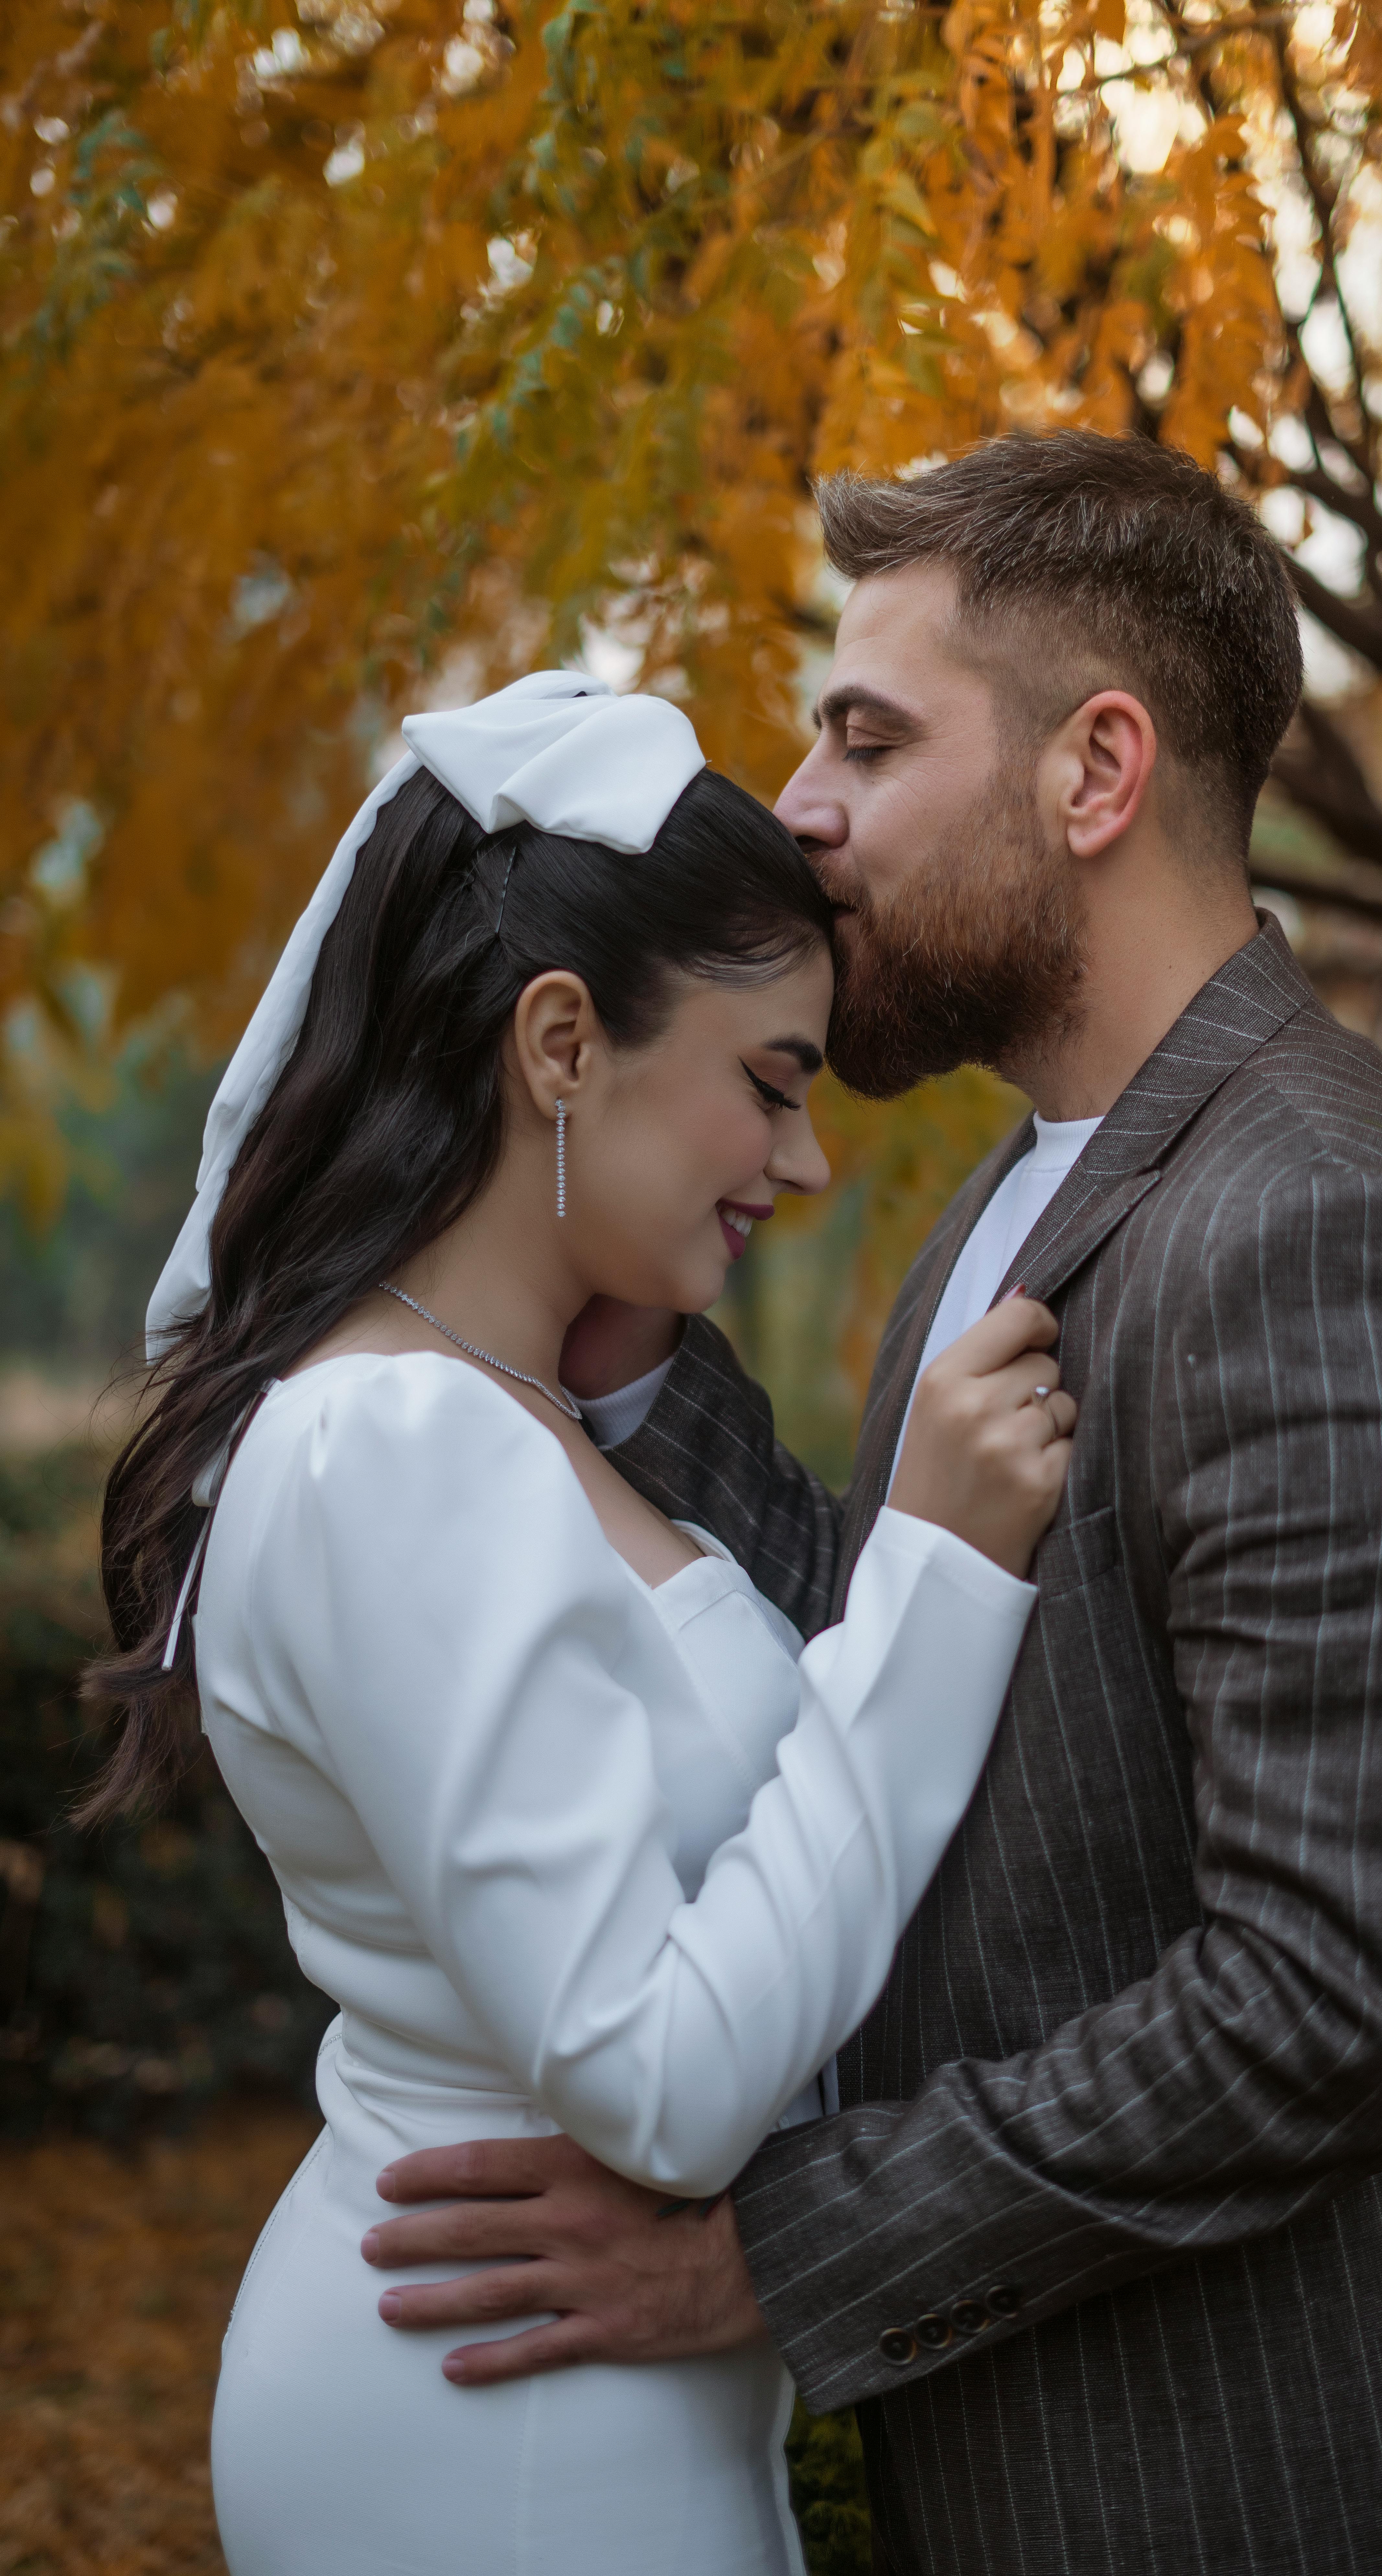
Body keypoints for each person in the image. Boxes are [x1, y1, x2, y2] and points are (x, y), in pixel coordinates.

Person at [365, 438, 1382, 2575]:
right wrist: (599, 1349)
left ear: (1093, 771)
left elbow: (1333, 1998)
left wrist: (774, 2256)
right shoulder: (1030, 1189)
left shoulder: (1317, 1227)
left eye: (866, 735)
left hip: (1233, 2505)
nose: (804, 808)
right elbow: (930, 1655)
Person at [84, 670, 1080, 2576]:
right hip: (496, 2431)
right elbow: (658, 2077)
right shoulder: (394, 1446)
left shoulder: (507, 1420)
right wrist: (934, 1586)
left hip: (562, 2391)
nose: (797, 1164)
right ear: (560, 1042)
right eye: (771, 1081)